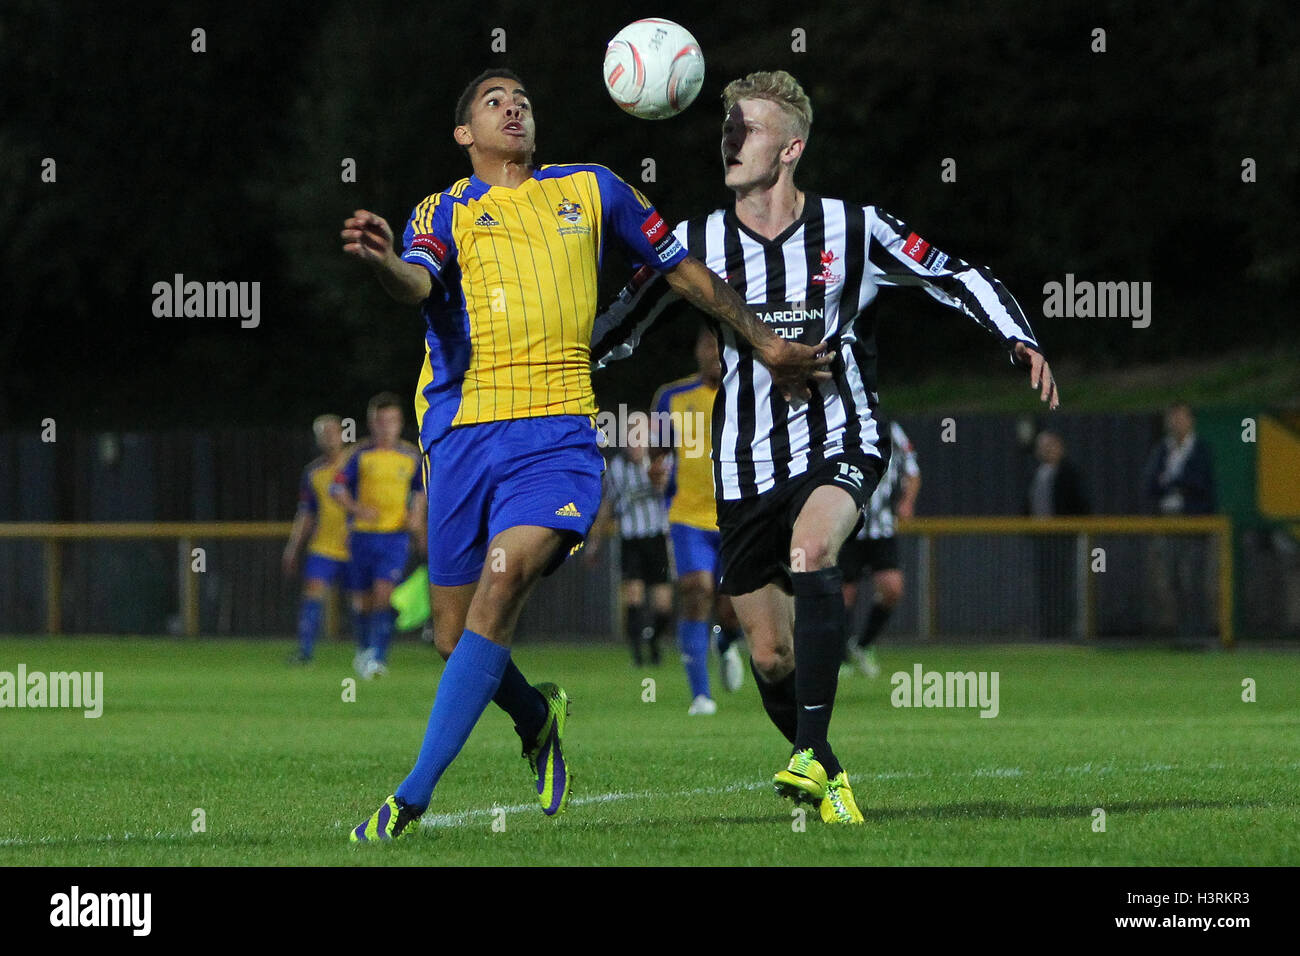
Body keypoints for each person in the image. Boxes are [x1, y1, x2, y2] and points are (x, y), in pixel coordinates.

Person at [339, 68, 828, 841]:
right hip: (461, 436)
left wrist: (764, 340)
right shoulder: (444, 209)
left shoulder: (594, 190)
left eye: (524, 100)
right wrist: (379, 263)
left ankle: (411, 796)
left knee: (505, 582)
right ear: (465, 134)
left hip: (558, 432)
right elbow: (414, 280)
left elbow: (680, 267)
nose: (514, 108)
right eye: (494, 102)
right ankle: (536, 717)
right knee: (449, 635)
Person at [595, 70, 1059, 824]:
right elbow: (623, 321)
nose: (730, 140)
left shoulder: (854, 227)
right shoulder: (698, 241)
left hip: (841, 436)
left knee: (814, 551)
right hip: (742, 466)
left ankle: (808, 754)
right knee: (771, 656)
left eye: (747, 128)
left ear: (791, 149)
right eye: (726, 129)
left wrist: (1016, 334)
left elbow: (952, 272)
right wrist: (549, 366)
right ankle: (829, 769)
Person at [651, 327, 746, 714]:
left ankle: (725, 642)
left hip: (736, 516)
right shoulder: (672, 397)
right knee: (696, 590)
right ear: (697, 350)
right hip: (688, 515)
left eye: (722, 345)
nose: (715, 353)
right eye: (708, 343)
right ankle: (701, 695)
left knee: (733, 607)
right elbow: (657, 452)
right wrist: (656, 470)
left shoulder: (747, 393)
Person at [331, 393, 425, 678]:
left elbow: (421, 491)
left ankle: (378, 656)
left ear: (399, 423)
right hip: (361, 536)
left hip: (394, 537)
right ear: (372, 423)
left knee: (385, 595)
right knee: (362, 601)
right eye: (380, 421)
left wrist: (416, 517)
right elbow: (336, 489)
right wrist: (357, 508)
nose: (386, 427)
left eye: (392, 421)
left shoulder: (410, 456)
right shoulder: (359, 455)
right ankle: (363, 648)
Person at [585, 428, 674, 668]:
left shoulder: (661, 461)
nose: (634, 447)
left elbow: (668, 487)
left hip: (656, 538)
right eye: (630, 442)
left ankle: (654, 641)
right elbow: (607, 505)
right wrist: (595, 543)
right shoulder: (617, 469)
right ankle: (637, 655)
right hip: (630, 539)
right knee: (633, 598)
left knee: (663, 605)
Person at [839, 416, 920, 677]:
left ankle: (863, 644)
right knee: (842, 595)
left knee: (892, 588)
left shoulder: (890, 428)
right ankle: (840, 657)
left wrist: (907, 501)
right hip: (846, 526)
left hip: (881, 527)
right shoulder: (838, 424)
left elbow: (913, 470)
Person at [283, 414, 352, 664]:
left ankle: (369, 652)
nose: (329, 437)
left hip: (355, 545)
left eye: (332, 431)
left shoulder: (355, 465)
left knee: (363, 600)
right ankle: (305, 652)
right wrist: (293, 547)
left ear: (343, 434)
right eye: (323, 433)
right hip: (323, 545)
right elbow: (306, 513)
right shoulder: (313, 473)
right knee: (312, 595)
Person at [1143, 402, 1216, 637]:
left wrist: (1174, 481)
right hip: (1167, 519)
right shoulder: (1162, 449)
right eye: (1172, 418)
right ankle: (1175, 630)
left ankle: (1199, 631)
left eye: (1181, 417)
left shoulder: (1201, 449)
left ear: (1190, 420)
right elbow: (1151, 484)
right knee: (1169, 577)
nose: (1176, 422)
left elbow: (1201, 484)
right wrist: (1176, 482)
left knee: (1194, 577)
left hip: (1193, 521)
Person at [1026, 429, 1090, 639]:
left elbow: (1082, 506)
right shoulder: (1036, 473)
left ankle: (1067, 631)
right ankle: (1046, 630)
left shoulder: (1070, 473)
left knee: (1065, 585)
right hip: (1041, 539)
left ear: (1061, 448)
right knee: (1045, 586)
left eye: (1051, 446)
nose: (1047, 450)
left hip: (1064, 539)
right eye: (1043, 447)